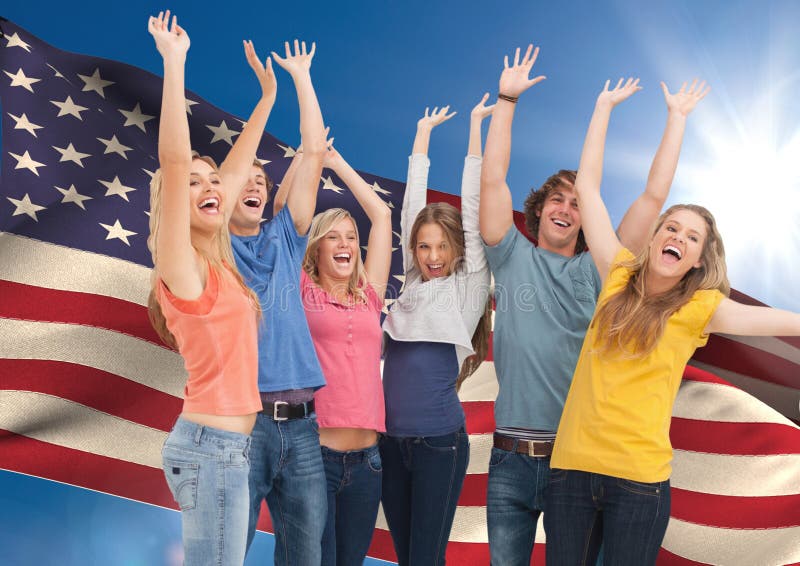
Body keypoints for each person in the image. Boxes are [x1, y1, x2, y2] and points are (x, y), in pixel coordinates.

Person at [544, 77, 800, 566]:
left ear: (698, 261)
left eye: (692, 237)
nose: (677, 237)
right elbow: (590, 187)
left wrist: (678, 120)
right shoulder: (616, 274)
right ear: (656, 236)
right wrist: (604, 106)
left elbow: (784, 320)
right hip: (571, 474)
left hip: (640, 485)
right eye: (671, 227)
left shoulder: (700, 308)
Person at [479, 45, 709, 565]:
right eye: (557, 199)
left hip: (578, 462)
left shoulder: (605, 271)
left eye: (577, 203)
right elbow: (492, 181)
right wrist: (507, 100)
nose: (567, 208)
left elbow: (652, 201)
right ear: (537, 210)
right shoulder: (509, 254)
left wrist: (675, 120)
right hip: (510, 459)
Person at [146, 10, 276, 565]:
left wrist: (267, 97)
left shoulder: (219, 264)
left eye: (213, 181)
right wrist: (175, 63)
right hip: (210, 450)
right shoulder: (180, 264)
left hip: (230, 450)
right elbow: (175, 163)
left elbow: (238, 166)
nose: (208, 186)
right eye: (194, 184)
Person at [226, 37, 330, 565]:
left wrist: (300, 78)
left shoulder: (286, 238)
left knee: (305, 554)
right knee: (227, 550)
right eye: (243, 179)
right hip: (244, 426)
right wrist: (263, 99)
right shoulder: (215, 250)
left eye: (262, 181)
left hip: (305, 429)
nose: (256, 186)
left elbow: (313, 152)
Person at [380, 96, 494, 565]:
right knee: (406, 557)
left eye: (442, 246)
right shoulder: (409, 284)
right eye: (423, 246)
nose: (431, 256)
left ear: (457, 249)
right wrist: (421, 137)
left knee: (425, 559)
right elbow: (411, 209)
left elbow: (472, 206)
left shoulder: (467, 288)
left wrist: (473, 131)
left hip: (438, 445)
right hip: (389, 443)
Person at [289, 140, 392, 566]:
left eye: (351, 237)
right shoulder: (301, 291)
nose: (345, 243)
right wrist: (309, 162)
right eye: (333, 237)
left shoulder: (371, 297)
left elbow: (382, 217)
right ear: (317, 249)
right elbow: (290, 225)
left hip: (368, 463)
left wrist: (337, 162)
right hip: (315, 457)